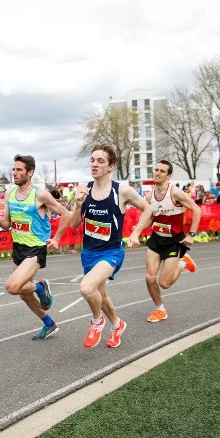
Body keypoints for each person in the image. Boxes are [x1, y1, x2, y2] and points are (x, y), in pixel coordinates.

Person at [70, 144, 148, 349]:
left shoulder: (121, 190)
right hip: (88, 252)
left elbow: (148, 209)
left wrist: (136, 232)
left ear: (111, 166)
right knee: (101, 296)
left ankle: (97, 322)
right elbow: (74, 224)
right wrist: (78, 205)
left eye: (100, 161)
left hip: (111, 252)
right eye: (92, 160)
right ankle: (117, 324)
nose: (94, 164)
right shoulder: (84, 189)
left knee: (87, 288)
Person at [0, 154, 72, 340]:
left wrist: (57, 238)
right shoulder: (10, 193)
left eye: (19, 170)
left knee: (13, 287)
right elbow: (7, 225)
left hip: (35, 249)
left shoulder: (40, 194)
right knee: (23, 294)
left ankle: (40, 286)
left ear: (30, 172)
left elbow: (66, 213)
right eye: (14, 169)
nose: (15, 173)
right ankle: (49, 323)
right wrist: (1, 220)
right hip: (18, 247)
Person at [127, 160, 200, 323]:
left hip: (174, 242)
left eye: (162, 171)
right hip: (156, 240)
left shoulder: (175, 193)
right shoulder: (149, 196)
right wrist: (137, 231)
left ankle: (182, 263)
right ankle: (160, 309)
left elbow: (197, 209)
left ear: (169, 175)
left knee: (165, 283)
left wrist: (191, 235)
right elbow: (150, 219)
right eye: (156, 170)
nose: (157, 173)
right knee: (149, 277)